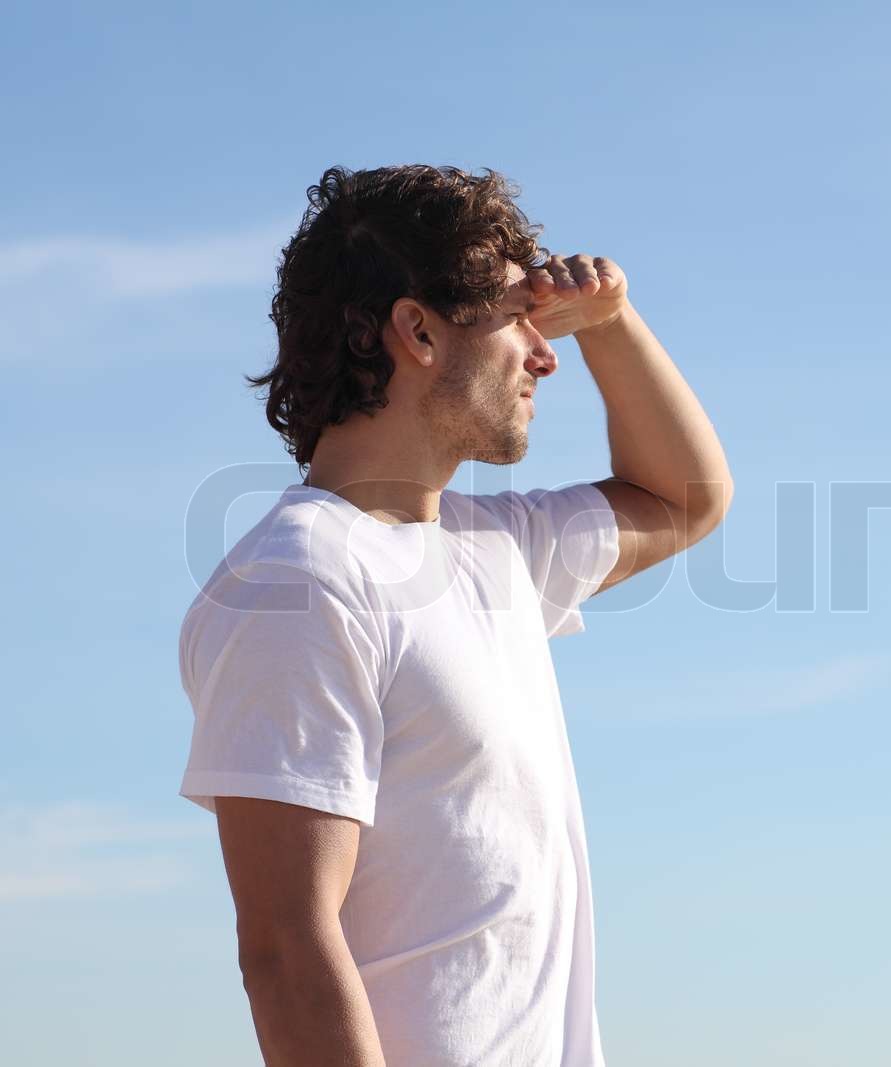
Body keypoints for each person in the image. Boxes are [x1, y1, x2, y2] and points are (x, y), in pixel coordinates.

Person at [176, 164, 732, 1066]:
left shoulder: (496, 550)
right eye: (523, 321)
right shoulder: (300, 579)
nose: (547, 354)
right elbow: (285, 948)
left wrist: (611, 322)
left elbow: (687, 498)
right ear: (419, 331)